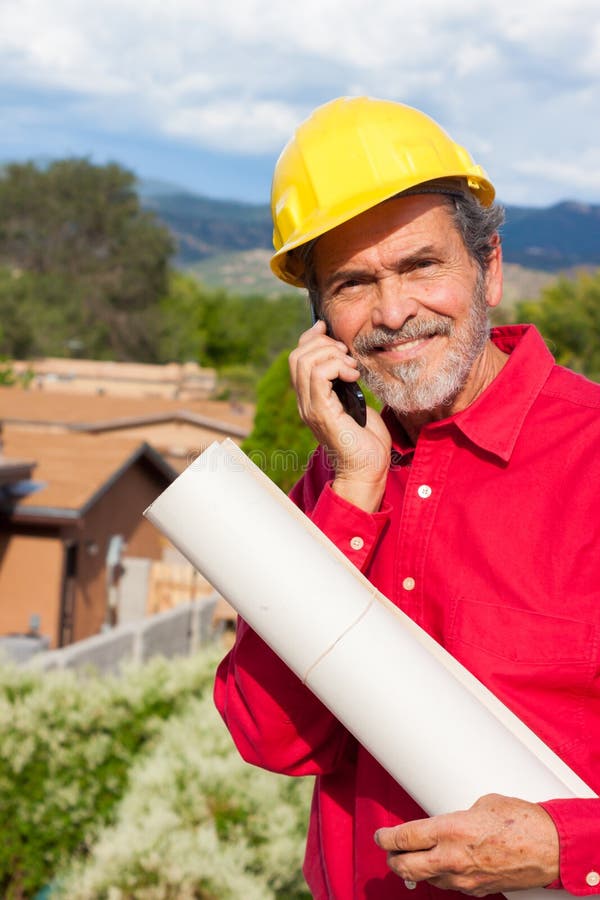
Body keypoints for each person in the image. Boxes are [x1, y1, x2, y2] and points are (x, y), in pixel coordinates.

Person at [214, 96, 600, 899]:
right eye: (354, 284)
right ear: (322, 322)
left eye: (422, 265)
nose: (394, 312)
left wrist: (570, 848)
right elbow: (270, 736)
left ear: (488, 270)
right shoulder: (335, 478)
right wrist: (354, 489)